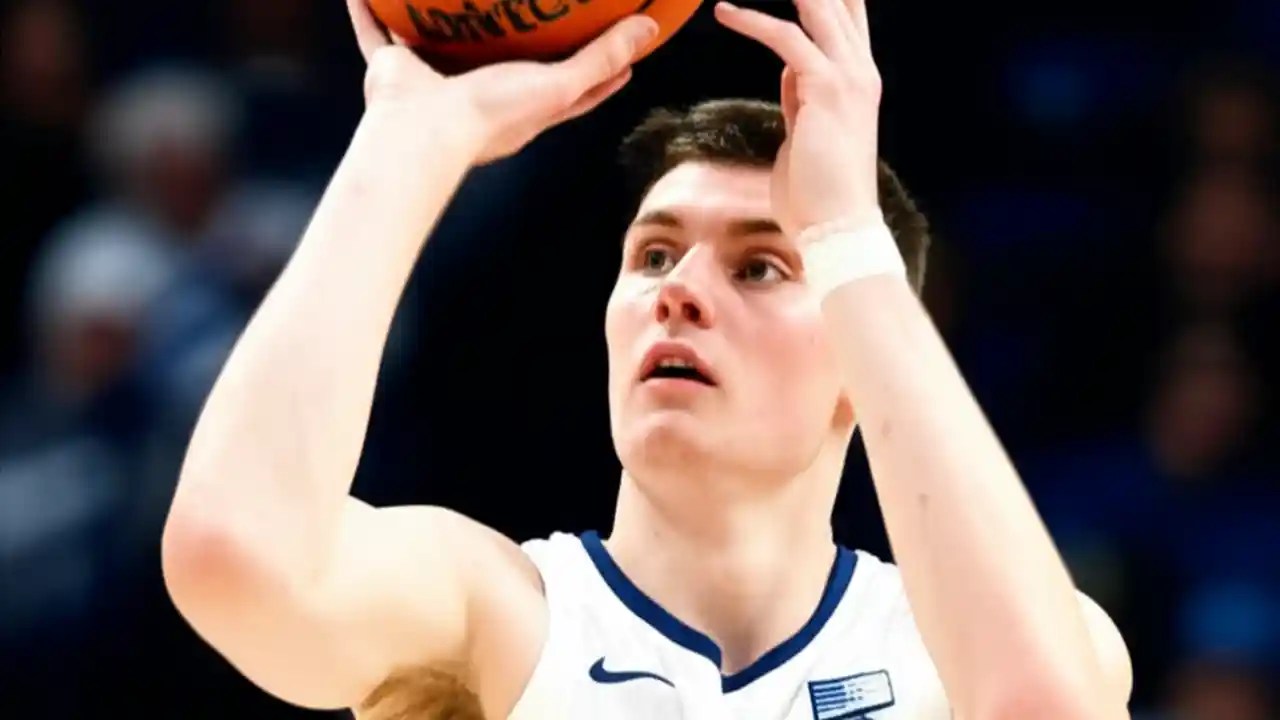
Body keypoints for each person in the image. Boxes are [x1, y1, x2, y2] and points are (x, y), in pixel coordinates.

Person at [160, 0, 1135, 717]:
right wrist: (412, 141)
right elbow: (233, 554)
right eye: (655, 255)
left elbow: (1043, 705)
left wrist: (845, 232)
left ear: (863, 361)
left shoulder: (939, 657)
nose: (679, 290)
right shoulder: (496, 616)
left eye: (760, 266)